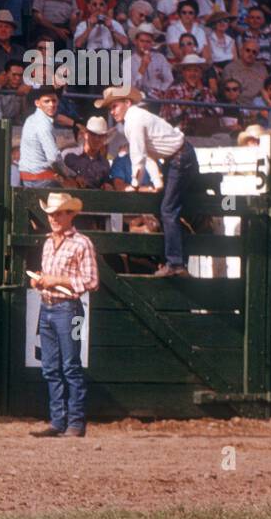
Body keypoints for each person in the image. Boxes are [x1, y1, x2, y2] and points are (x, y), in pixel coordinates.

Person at [95, 86, 197, 277]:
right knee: (171, 208)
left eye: (115, 106)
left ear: (127, 103)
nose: (112, 111)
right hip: (179, 156)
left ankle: (175, 263)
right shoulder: (134, 120)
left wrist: (134, 183)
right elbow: (147, 154)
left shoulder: (134, 121)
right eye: (110, 108)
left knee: (168, 210)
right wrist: (157, 181)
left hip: (179, 158)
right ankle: (176, 261)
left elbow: (139, 156)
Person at [25, 192, 98, 437]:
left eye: (58, 214)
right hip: (48, 307)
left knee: (70, 365)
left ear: (70, 215)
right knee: (50, 367)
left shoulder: (82, 243)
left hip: (70, 309)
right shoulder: (48, 243)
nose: (54, 218)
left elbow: (91, 281)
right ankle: (59, 420)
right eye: (51, 214)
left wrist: (55, 280)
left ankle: (75, 422)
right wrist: (41, 282)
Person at [18, 86, 73, 187]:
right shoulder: (44, 124)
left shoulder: (30, 119)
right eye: (46, 101)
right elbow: (54, 159)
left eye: (54, 101)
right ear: (37, 103)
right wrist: (69, 175)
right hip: (40, 180)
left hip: (26, 178)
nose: (51, 104)